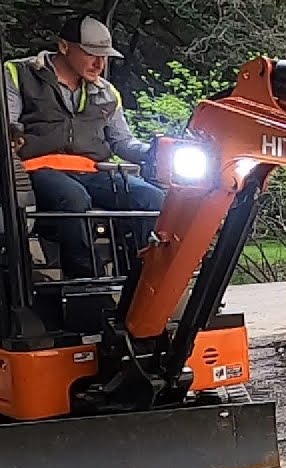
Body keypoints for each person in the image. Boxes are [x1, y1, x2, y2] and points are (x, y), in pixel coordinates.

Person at [4, 14, 165, 278]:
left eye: (104, 56)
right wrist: (13, 134)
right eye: (91, 54)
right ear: (64, 47)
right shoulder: (19, 73)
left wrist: (154, 150)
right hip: (37, 169)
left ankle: (143, 280)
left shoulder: (107, 92)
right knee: (73, 198)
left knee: (151, 198)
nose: (99, 63)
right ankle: (84, 279)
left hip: (93, 171)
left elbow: (122, 141)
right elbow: (9, 123)